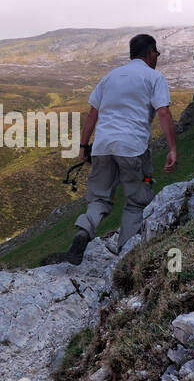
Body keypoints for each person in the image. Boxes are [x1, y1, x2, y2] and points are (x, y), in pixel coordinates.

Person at [59, 33, 177, 265]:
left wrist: (83, 146)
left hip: (102, 147)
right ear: (151, 53)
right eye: (157, 53)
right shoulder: (154, 77)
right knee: (136, 200)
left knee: (99, 198)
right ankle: (127, 253)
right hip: (133, 148)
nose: (158, 57)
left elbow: (93, 113)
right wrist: (172, 148)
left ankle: (83, 232)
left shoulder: (109, 77)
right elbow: (163, 112)